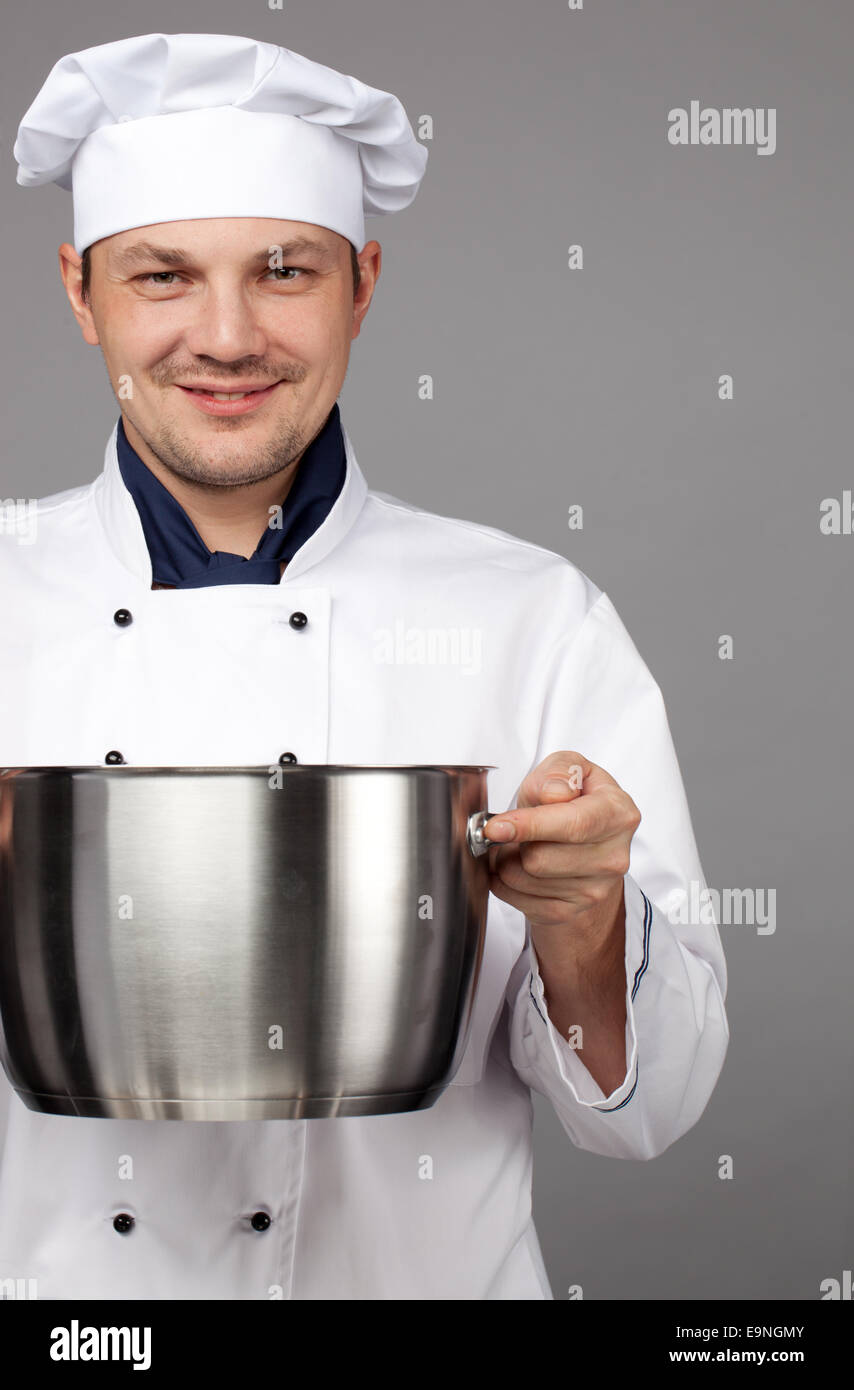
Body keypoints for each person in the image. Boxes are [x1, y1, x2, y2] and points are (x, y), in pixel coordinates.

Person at [0, 32, 728, 1300]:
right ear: (79, 292)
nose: (225, 336)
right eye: (162, 275)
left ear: (363, 284)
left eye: (283, 271)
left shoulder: (529, 617)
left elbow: (646, 1113)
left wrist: (587, 921)